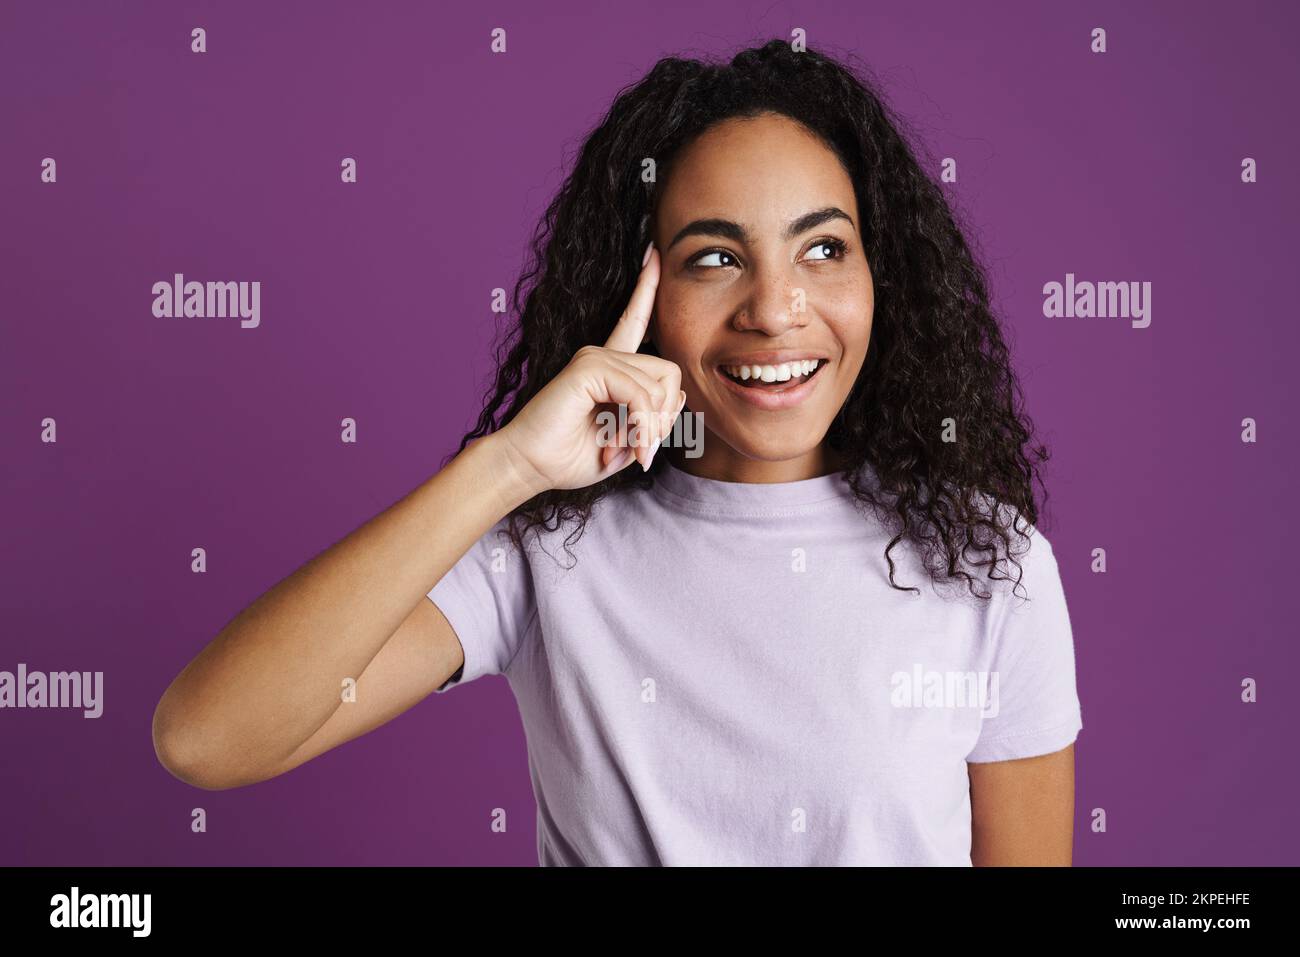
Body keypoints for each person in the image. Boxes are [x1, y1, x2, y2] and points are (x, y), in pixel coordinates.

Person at [152, 39, 1082, 866]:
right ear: (638, 293)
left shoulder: (991, 566)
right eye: (714, 256)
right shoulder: (544, 546)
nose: (773, 307)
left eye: (823, 249)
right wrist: (508, 466)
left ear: (882, 277)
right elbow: (207, 737)